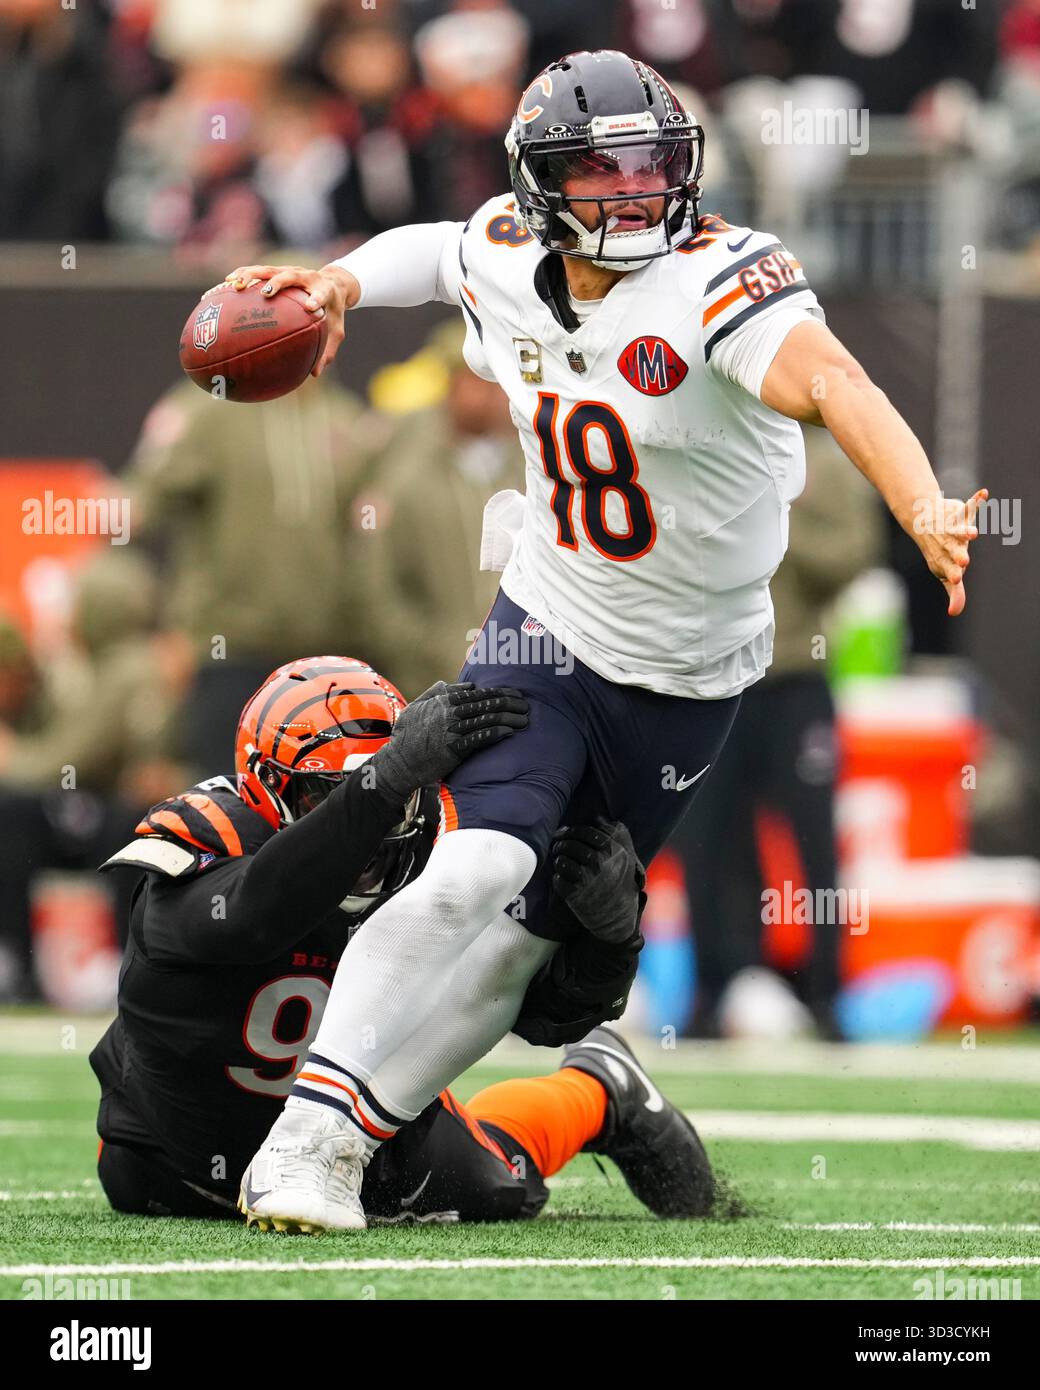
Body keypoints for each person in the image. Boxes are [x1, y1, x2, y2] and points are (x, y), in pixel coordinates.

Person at [223, 48, 985, 1231]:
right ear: (538, 184)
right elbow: (434, 249)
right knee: (474, 867)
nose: (630, 192)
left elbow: (837, 382)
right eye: (597, 170)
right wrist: (334, 288)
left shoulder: (722, 284)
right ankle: (304, 1144)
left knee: (533, 953)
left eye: (650, 166)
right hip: (548, 631)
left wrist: (922, 501)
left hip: (691, 678)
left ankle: (361, 1129)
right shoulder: (508, 255)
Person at [91, 657, 713, 1225]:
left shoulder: (444, 855)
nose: (382, 827)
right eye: (324, 793)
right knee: (138, 1183)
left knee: (495, 1185)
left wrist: (610, 941)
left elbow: (540, 1016)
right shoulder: (213, 837)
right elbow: (254, 915)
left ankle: (599, 1090)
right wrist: (382, 782)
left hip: (360, 1136)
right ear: (266, 790)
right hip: (170, 1152)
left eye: (397, 789)